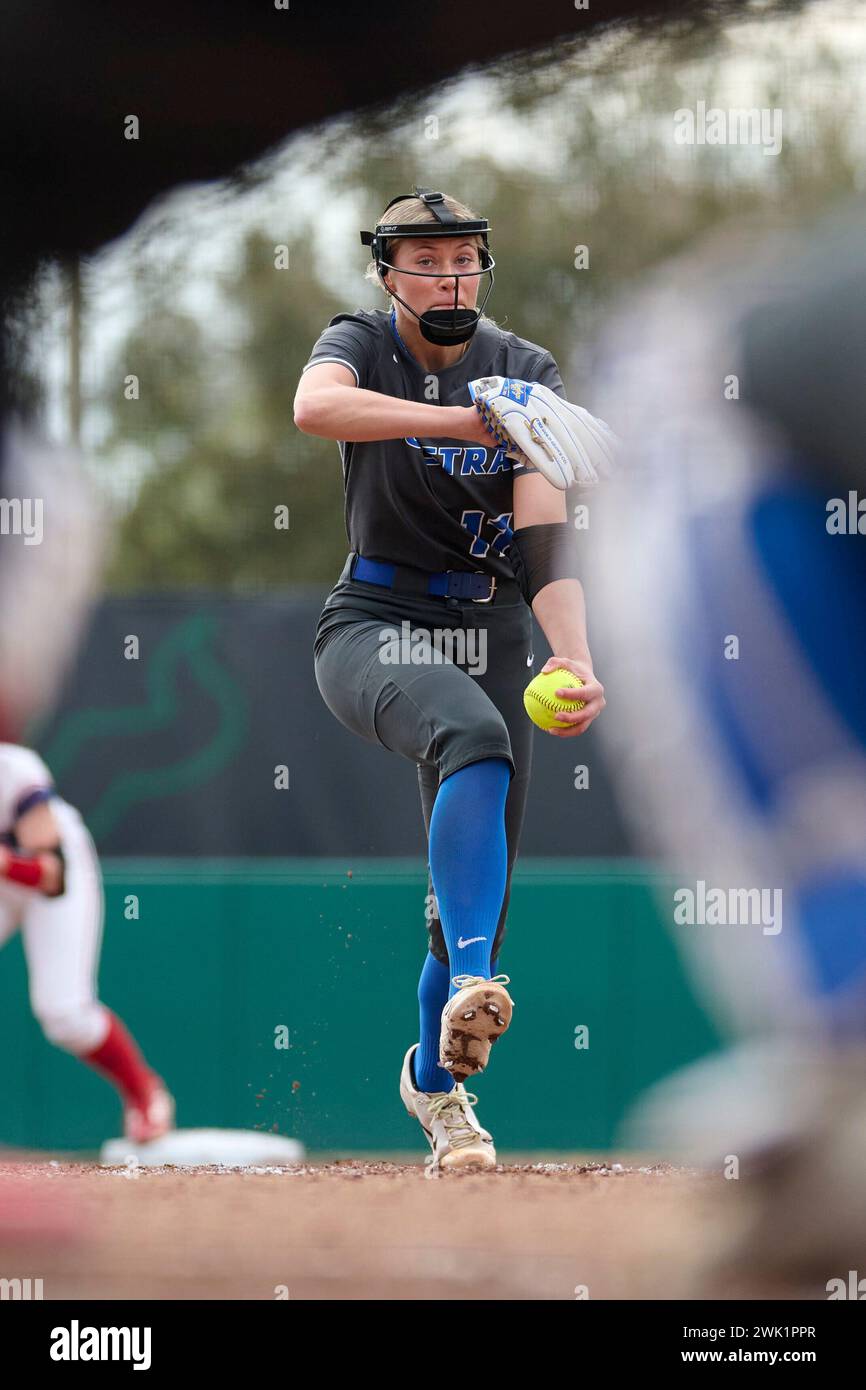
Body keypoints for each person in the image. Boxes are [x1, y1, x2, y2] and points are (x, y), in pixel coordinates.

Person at [295, 187, 606, 1170]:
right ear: (386, 272)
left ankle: (436, 1090)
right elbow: (315, 406)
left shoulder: (523, 373)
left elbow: (542, 540)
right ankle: (478, 983)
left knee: (468, 897)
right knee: (469, 737)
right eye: (424, 259)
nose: (447, 275)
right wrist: (471, 422)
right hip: (373, 619)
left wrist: (572, 656)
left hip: (492, 624)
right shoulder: (360, 343)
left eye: (463, 257)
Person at [0, 742, 174, 1143]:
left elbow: (52, 877)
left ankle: (144, 1092)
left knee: (64, 1014)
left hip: (48, 874)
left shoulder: (15, 771)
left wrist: (7, 863)